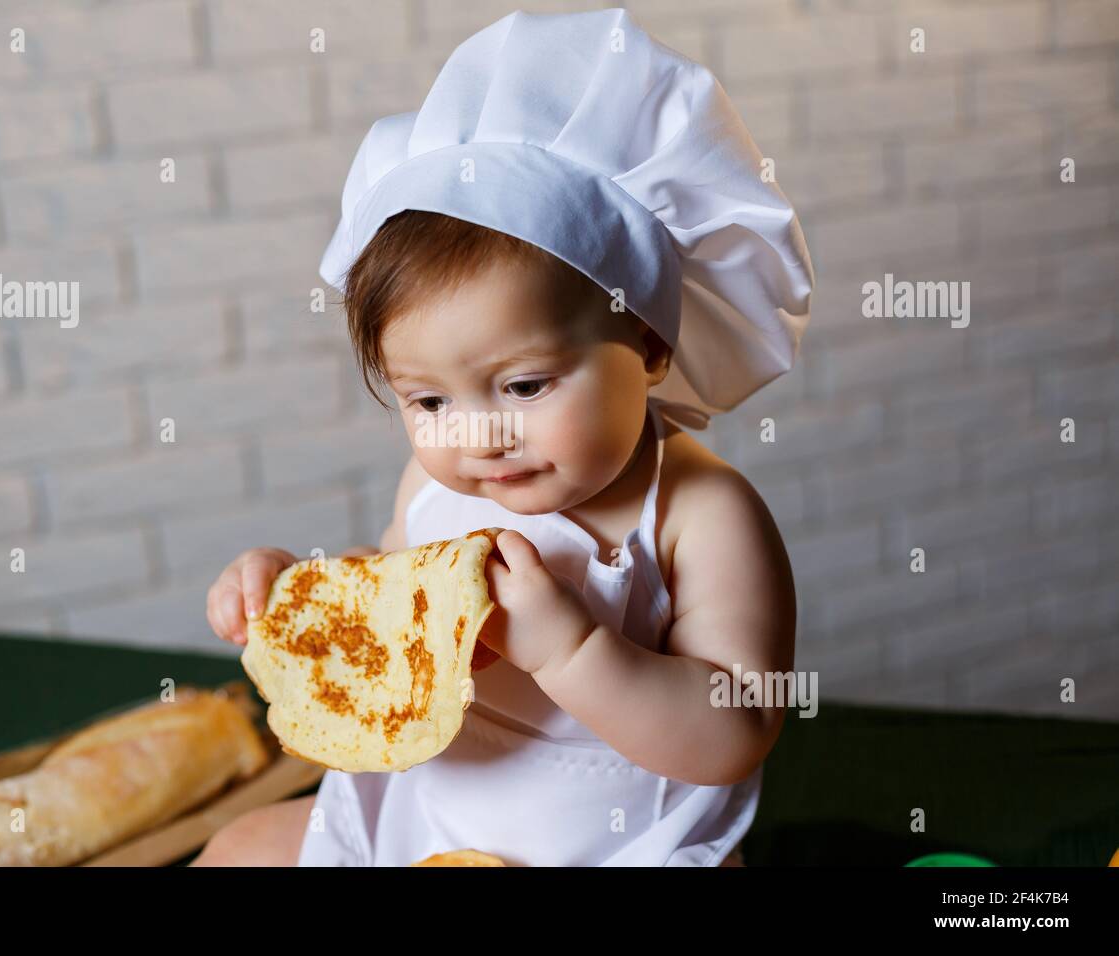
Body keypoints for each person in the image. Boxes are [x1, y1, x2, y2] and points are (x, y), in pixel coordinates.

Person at [195, 6, 813, 867]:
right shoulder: (435, 486)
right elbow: (387, 590)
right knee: (240, 847)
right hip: (432, 821)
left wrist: (575, 649)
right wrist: (302, 596)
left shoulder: (700, 514)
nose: (478, 434)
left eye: (524, 386)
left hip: (619, 844)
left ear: (647, 343)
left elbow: (735, 729)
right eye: (429, 402)